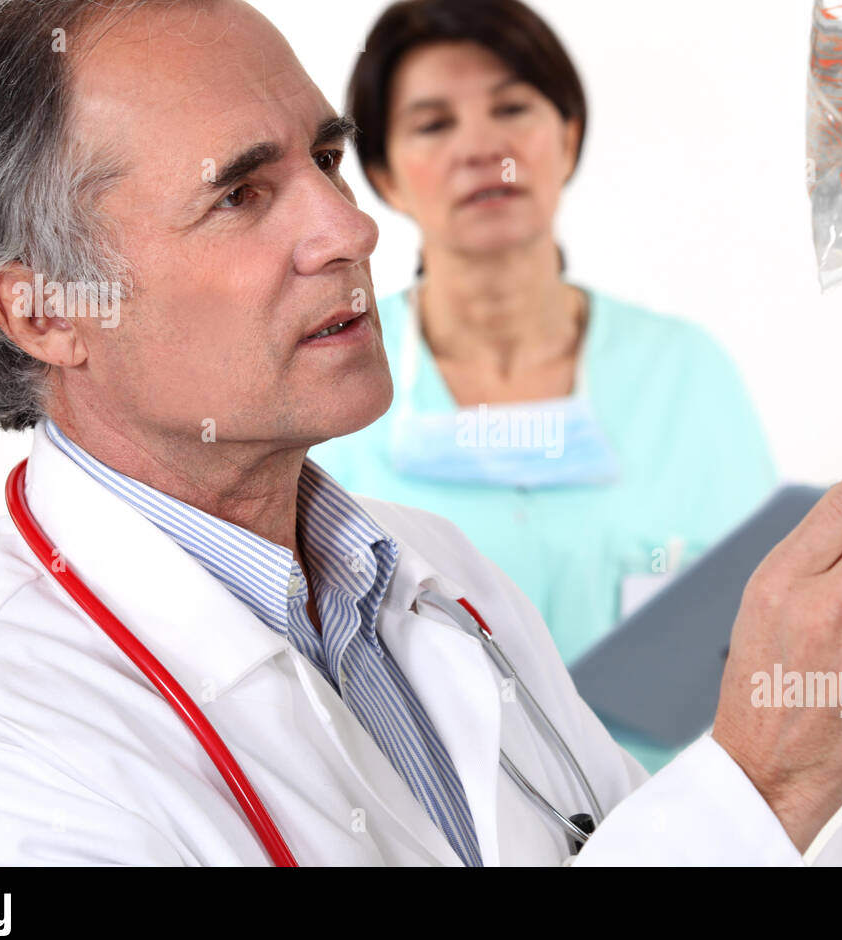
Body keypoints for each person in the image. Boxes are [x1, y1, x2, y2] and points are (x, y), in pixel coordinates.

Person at [0, 0, 842, 867]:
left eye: (327, 158)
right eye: (242, 191)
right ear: (45, 310)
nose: (350, 226)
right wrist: (761, 777)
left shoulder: (444, 580)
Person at [310, 0, 776, 773]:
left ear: (568, 136)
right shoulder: (332, 372)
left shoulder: (684, 375)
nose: (481, 148)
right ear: (384, 176)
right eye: (433, 124)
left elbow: (764, 643)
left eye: (512, 108)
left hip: (674, 827)